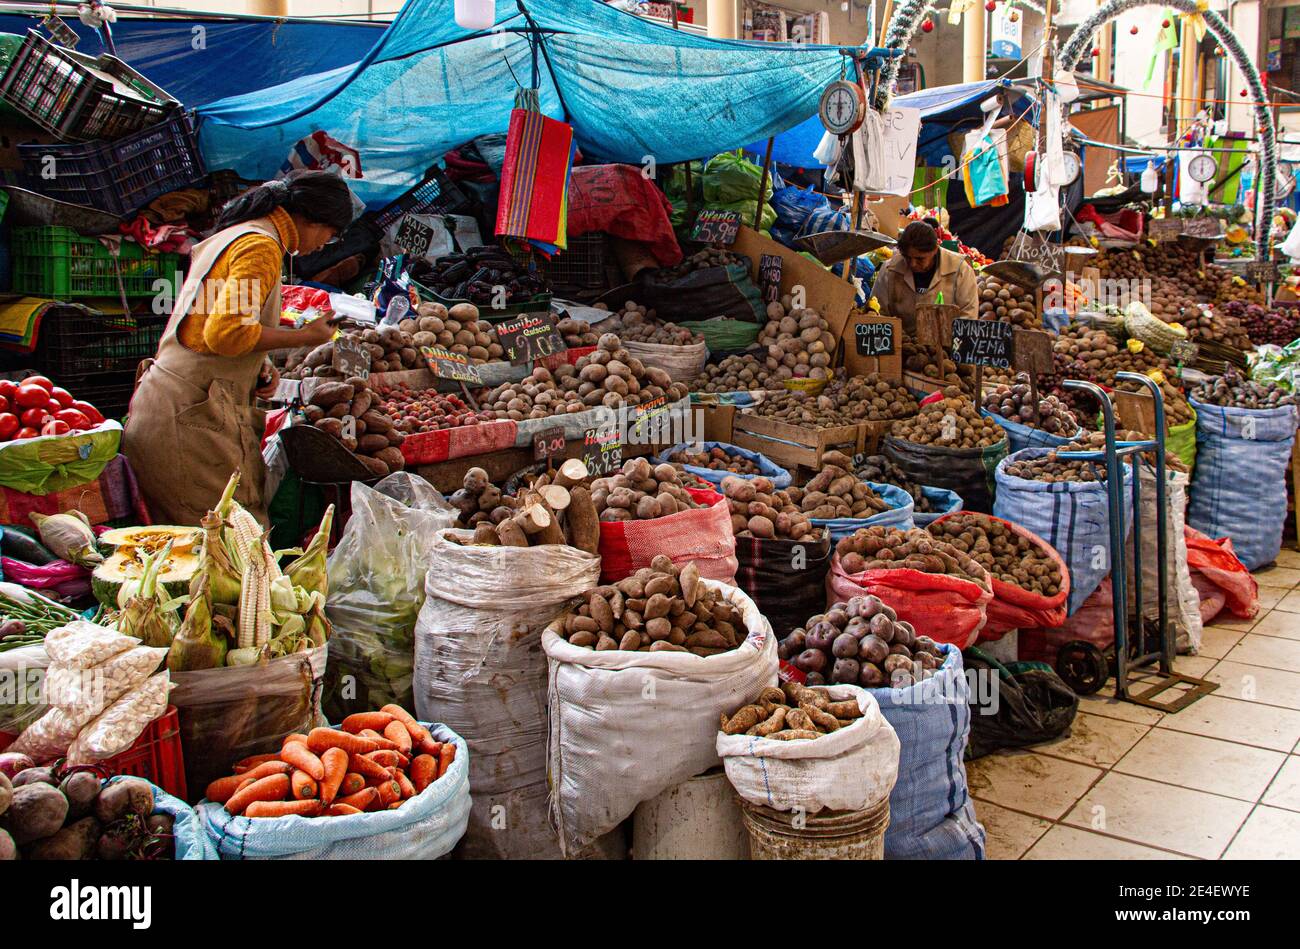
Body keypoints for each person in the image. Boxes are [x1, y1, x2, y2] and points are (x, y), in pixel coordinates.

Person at [124, 170, 355, 526]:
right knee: (233, 543)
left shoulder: (232, 236)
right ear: (312, 219)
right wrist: (306, 336)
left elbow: (210, 325)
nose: (324, 245)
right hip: (191, 418)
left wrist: (256, 363)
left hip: (170, 404)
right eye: (330, 235)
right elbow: (227, 333)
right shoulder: (260, 245)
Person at [869, 220, 978, 334]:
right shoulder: (889, 269)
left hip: (947, 344)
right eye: (907, 257)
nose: (912, 264)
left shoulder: (960, 269)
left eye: (920, 259)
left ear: (935, 250)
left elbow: (968, 316)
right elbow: (878, 313)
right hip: (903, 344)